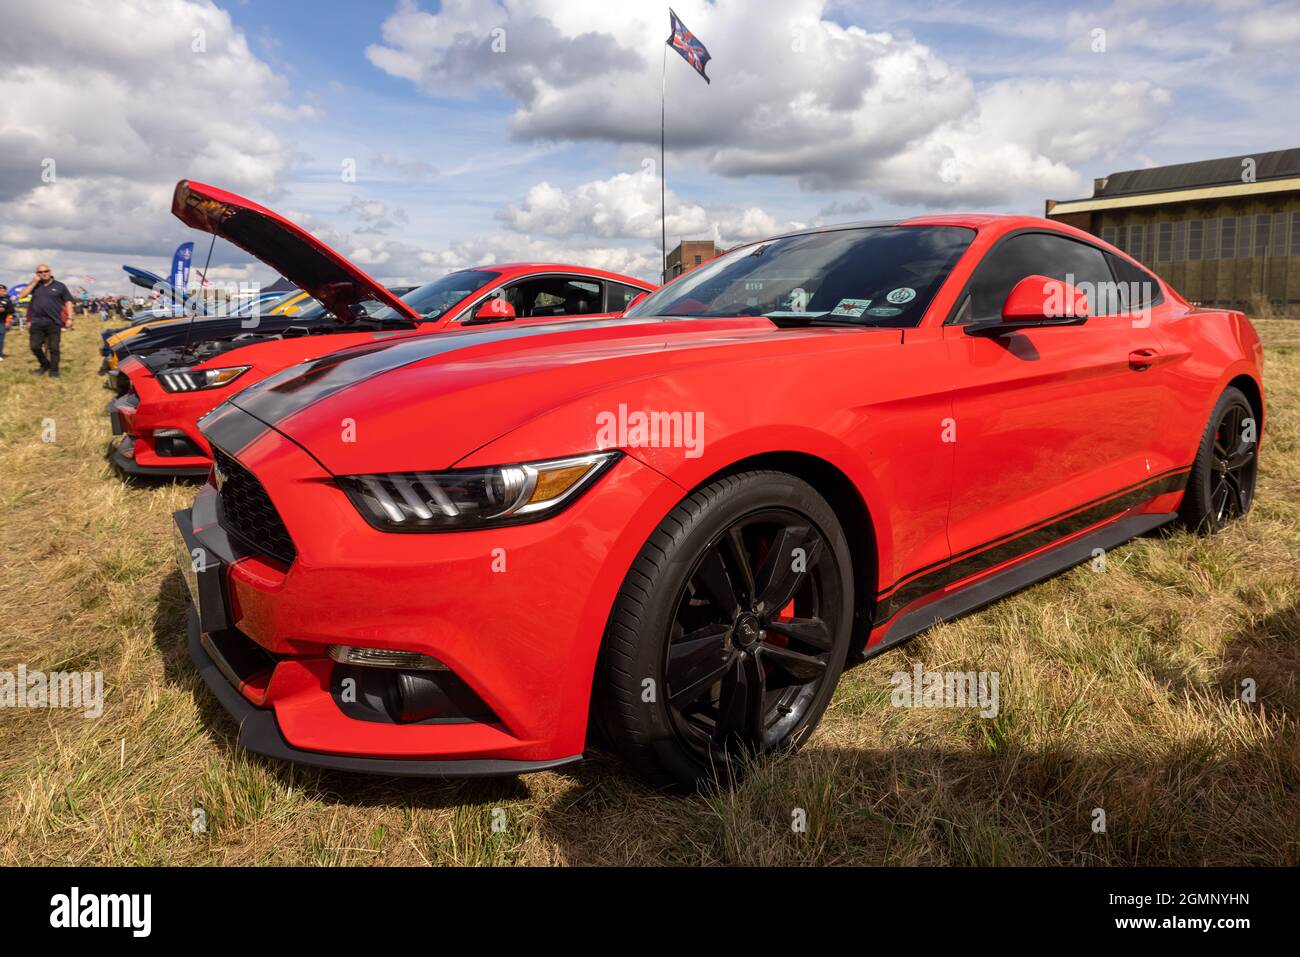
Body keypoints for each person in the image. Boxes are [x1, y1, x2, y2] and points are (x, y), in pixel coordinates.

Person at [26, 264, 74, 377]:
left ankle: (54, 371)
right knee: (35, 347)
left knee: (54, 348)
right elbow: (22, 295)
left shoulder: (60, 286)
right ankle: (45, 364)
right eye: (40, 272)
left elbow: (68, 302)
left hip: (54, 322)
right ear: (37, 274)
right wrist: (33, 283)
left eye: (45, 271)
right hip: (37, 322)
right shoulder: (35, 286)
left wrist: (70, 318)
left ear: (50, 272)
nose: (43, 273)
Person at [0, 284, 14, 360]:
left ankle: (0, 354)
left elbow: (12, 310)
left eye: (4, 291)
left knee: (1, 339)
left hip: (2, 322)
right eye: (1, 291)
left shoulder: (7, 299)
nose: (3, 292)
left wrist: (3, 310)